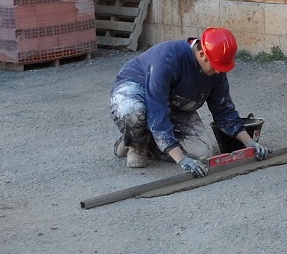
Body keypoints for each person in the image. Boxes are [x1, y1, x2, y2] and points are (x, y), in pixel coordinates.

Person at [109, 27, 268, 175]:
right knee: (133, 110)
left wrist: (249, 143)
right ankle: (136, 143)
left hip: (171, 102)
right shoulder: (168, 58)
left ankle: (140, 137)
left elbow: (224, 111)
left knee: (202, 153)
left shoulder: (215, 69)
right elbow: (156, 109)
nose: (219, 70)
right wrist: (181, 159)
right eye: (216, 66)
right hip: (138, 89)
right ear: (202, 54)